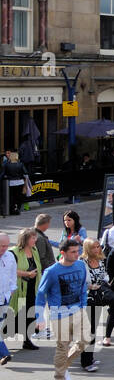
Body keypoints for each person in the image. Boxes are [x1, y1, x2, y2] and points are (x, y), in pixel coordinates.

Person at [35, 239, 91, 380]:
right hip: (59, 314)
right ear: (62, 253)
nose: (77, 254)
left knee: (85, 340)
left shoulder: (80, 265)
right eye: (73, 252)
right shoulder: (52, 272)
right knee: (62, 346)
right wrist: (39, 317)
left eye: (77, 251)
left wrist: (83, 305)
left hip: (78, 310)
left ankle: (63, 367)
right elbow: (41, 294)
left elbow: (82, 287)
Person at [79, 239, 109, 373]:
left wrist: (105, 281)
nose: (97, 249)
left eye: (98, 247)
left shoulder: (101, 261)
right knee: (88, 331)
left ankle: (89, 357)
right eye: (93, 248)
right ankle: (85, 362)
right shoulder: (82, 262)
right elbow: (80, 281)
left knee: (93, 330)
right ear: (87, 249)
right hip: (86, 299)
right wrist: (90, 286)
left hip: (97, 298)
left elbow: (104, 276)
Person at [13, 229, 42, 350]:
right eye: (32, 238)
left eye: (35, 238)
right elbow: (11, 271)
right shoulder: (14, 252)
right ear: (24, 239)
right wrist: (27, 274)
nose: (35, 240)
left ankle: (26, 340)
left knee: (30, 314)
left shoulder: (34, 250)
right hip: (19, 290)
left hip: (32, 288)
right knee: (14, 315)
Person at [0, 234, 15, 364]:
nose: (4, 248)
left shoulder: (9, 256)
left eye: (6, 245)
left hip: (5, 297)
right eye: (1, 246)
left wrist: (12, 290)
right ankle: (4, 353)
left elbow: (12, 274)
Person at [4, 150, 29, 215]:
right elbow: (25, 173)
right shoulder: (20, 164)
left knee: (12, 197)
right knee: (19, 197)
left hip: (11, 182)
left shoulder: (7, 164)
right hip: (20, 182)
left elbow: (3, 174)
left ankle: (12, 209)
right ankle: (17, 209)